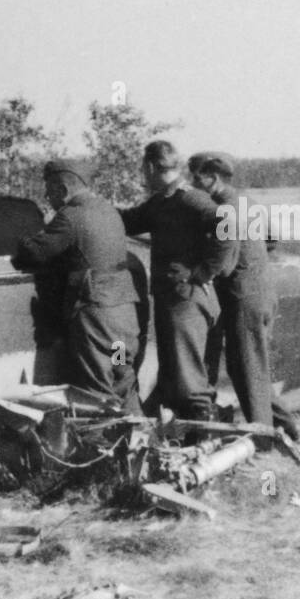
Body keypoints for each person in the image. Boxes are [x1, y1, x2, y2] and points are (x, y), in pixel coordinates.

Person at [12, 160, 142, 412]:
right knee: (123, 378)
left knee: (96, 391)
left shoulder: (71, 215)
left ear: (62, 188)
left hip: (97, 319)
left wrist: (22, 240)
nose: (47, 197)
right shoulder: (108, 210)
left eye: (49, 191)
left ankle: (103, 446)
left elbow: (36, 253)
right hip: (123, 317)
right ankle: (142, 439)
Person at [119, 141, 235, 420]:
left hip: (186, 301)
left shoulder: (190, 199)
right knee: (174, 376)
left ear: (149, 167)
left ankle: (205, 439)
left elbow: (228, 225)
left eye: (142, 170)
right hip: (171, 299)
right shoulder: (162, 202)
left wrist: (204, 272)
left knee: (189, 382)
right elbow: (128, 221)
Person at [189, 152, 298, 439]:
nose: (192, 182)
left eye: (196, 176)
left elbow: (224, 257)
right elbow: (273, 238)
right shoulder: (246, 202)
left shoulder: (225, 208)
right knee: (252, 366)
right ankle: (287, 428)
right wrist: (253, 259)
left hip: (243, 297)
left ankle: (262, 438)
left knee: (248, 368)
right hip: (262, 291)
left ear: (211, 179)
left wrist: (204, 272)